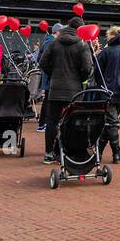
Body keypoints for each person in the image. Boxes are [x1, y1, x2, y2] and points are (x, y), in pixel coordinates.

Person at [38, 16, 94, 164]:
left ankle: (49, 153)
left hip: (55, 88)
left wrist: (53, 73)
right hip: (74, 90)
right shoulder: (82, 44)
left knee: (52, 121)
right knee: (74, 121)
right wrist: (80, 78)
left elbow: (43, 62)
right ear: (81, 28)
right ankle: (69, 151)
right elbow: (87, 68)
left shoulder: (55, 42)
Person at [95, 26, 120, 163]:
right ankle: (102, 152)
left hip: (108, 91)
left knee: (111, 123)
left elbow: (98, 72)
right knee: (110, 122)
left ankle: (113, 152)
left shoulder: (106, 52)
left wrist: (101, 86)